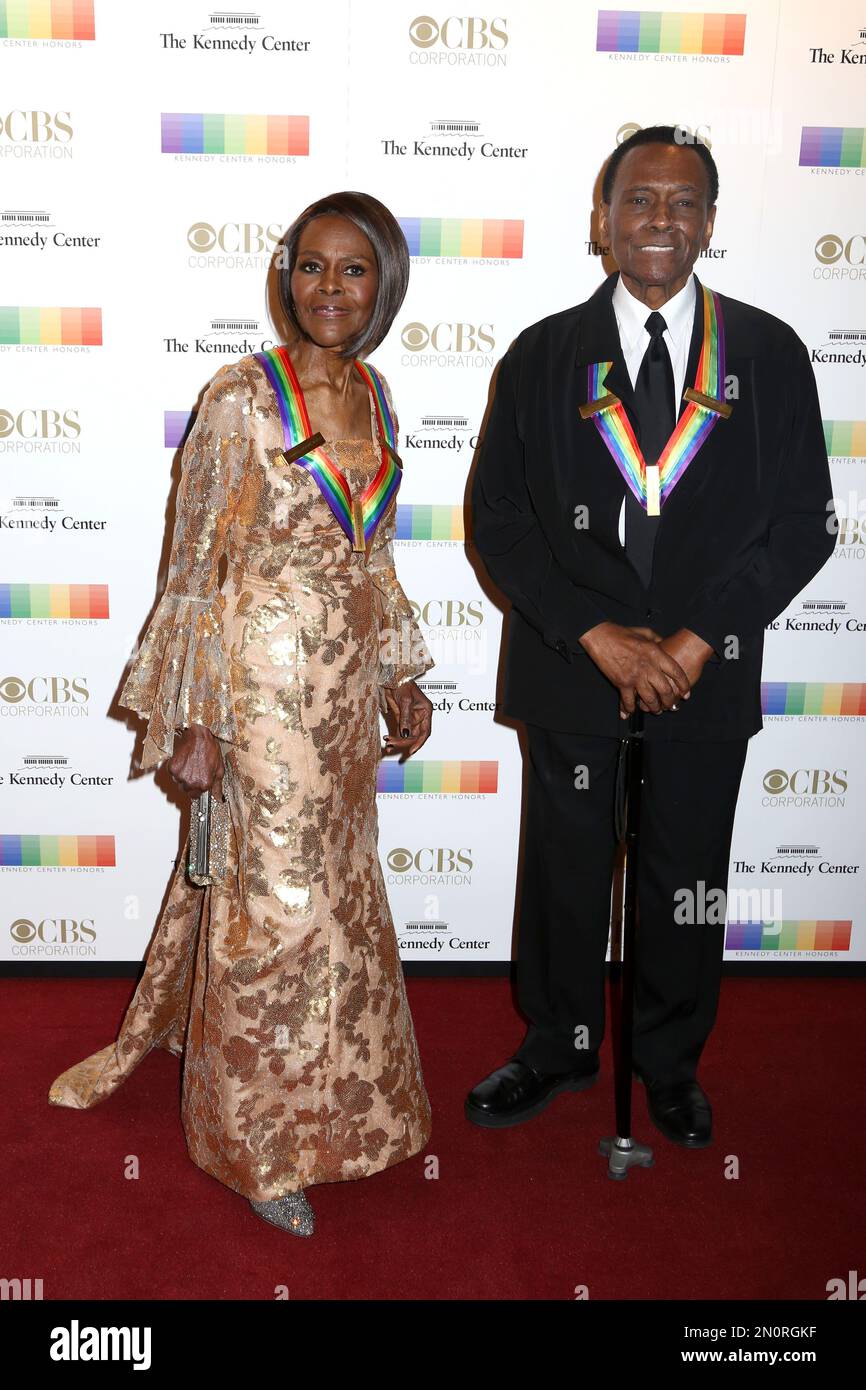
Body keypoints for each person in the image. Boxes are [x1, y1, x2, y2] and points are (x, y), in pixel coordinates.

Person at [49, 191, 436, 1236]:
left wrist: (400, 669)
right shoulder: (237, 397)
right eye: (309, 266)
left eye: (353, 270)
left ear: (383, 283)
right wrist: (193, 716)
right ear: (284, 273)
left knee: (342, 891)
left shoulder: (380, 395)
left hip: (346, 695)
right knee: (273, 904)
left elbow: (372, 553)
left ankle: (353, 1104)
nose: (328, 289)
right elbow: (192, 571)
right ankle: (256, 1140)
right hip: (257, 688)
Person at [467, 126, 835, 1147]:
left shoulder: (763, 353)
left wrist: (692, 641)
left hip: (699, 677)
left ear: (709, 223)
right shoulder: (542, 354)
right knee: (564, 865)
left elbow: (803, 522)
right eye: (637, 200)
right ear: (601, 219)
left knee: (686, 878)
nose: (658, 221)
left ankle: (668, 1062)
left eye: (681, 203)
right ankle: (556, 1044)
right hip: (569, 666)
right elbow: (497, 518)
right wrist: (593, 631)